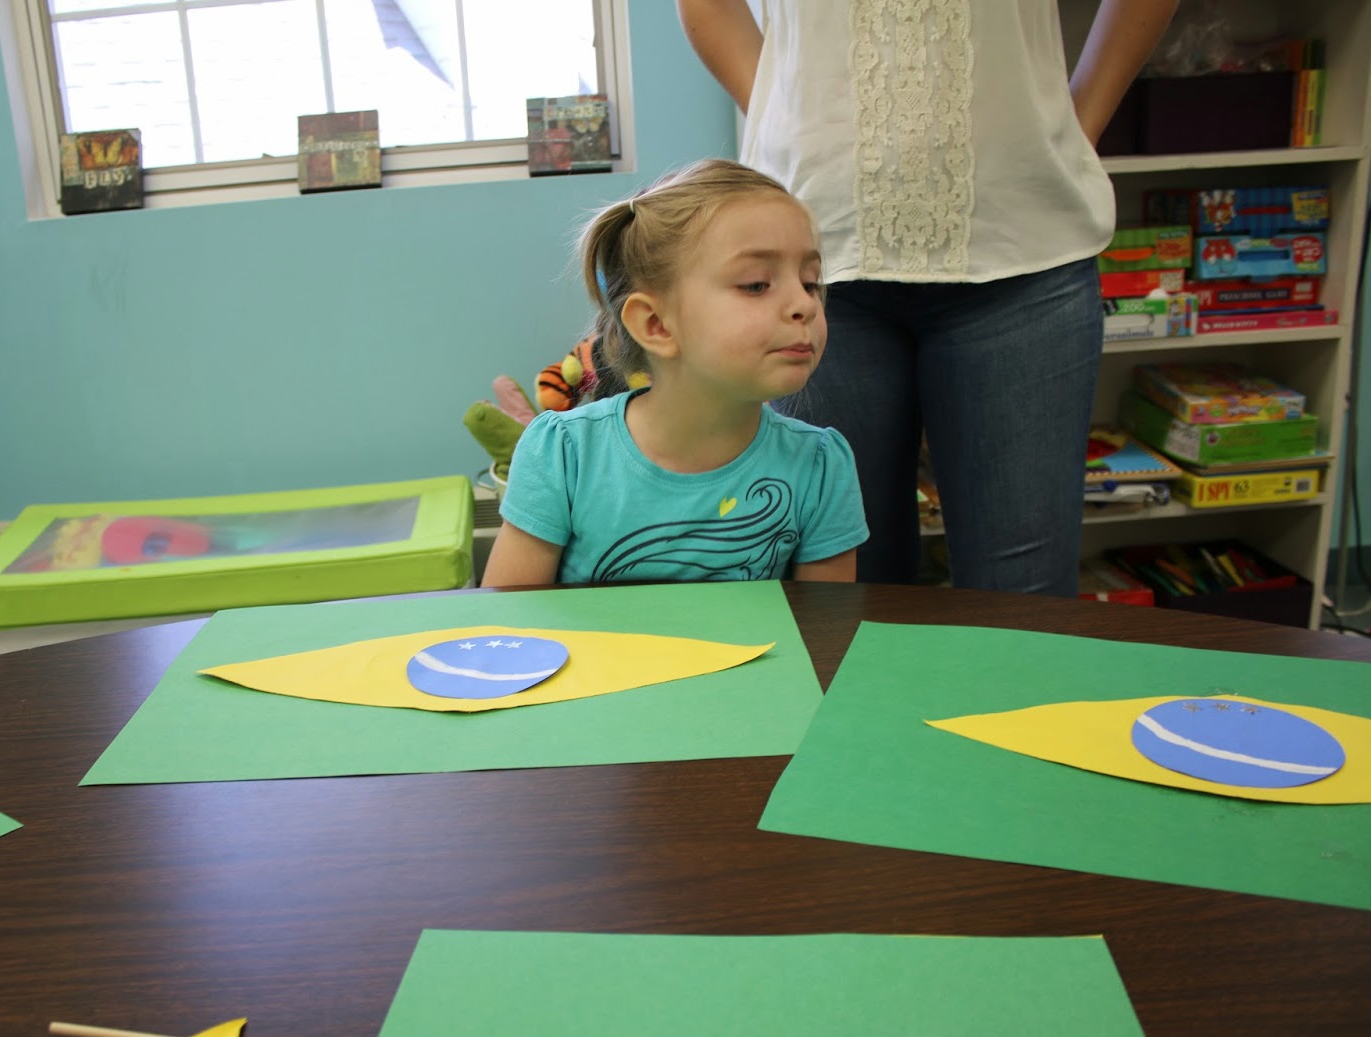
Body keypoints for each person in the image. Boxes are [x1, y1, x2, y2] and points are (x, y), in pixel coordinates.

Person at [677, 0, 1179, 596]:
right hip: (815, 254)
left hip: (1024, 242)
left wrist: (1081, 125)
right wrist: (785, 114)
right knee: (845, 600)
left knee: (1024, 609)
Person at [482, 159, 868, 587]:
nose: (805, 304)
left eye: (810, 281)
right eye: (757, 284)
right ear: (656, 325)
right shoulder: (564, 454)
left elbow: (825, 637)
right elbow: (508, 626)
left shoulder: (820, 465)